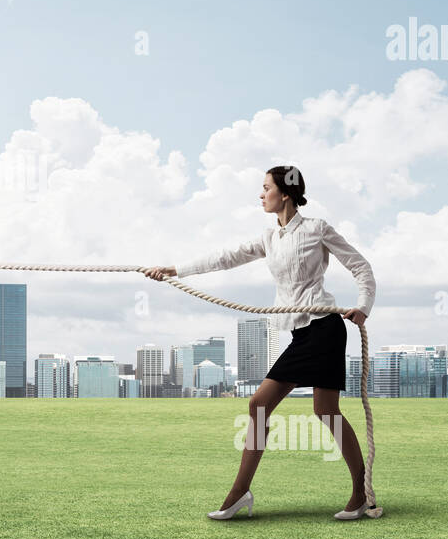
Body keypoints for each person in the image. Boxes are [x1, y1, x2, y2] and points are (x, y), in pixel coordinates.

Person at [142, 166, 376, 520]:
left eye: (265, 187)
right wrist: (175, 270)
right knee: (260, 405)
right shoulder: (269, 238)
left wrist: (363, 306)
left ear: (285, 193)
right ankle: (240, 494)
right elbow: (225, 257)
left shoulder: (317, 229)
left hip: (326, 328)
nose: (260, 194)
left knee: (322, 411)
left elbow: (360, 266)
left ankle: (361, 494)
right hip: (301, 334)